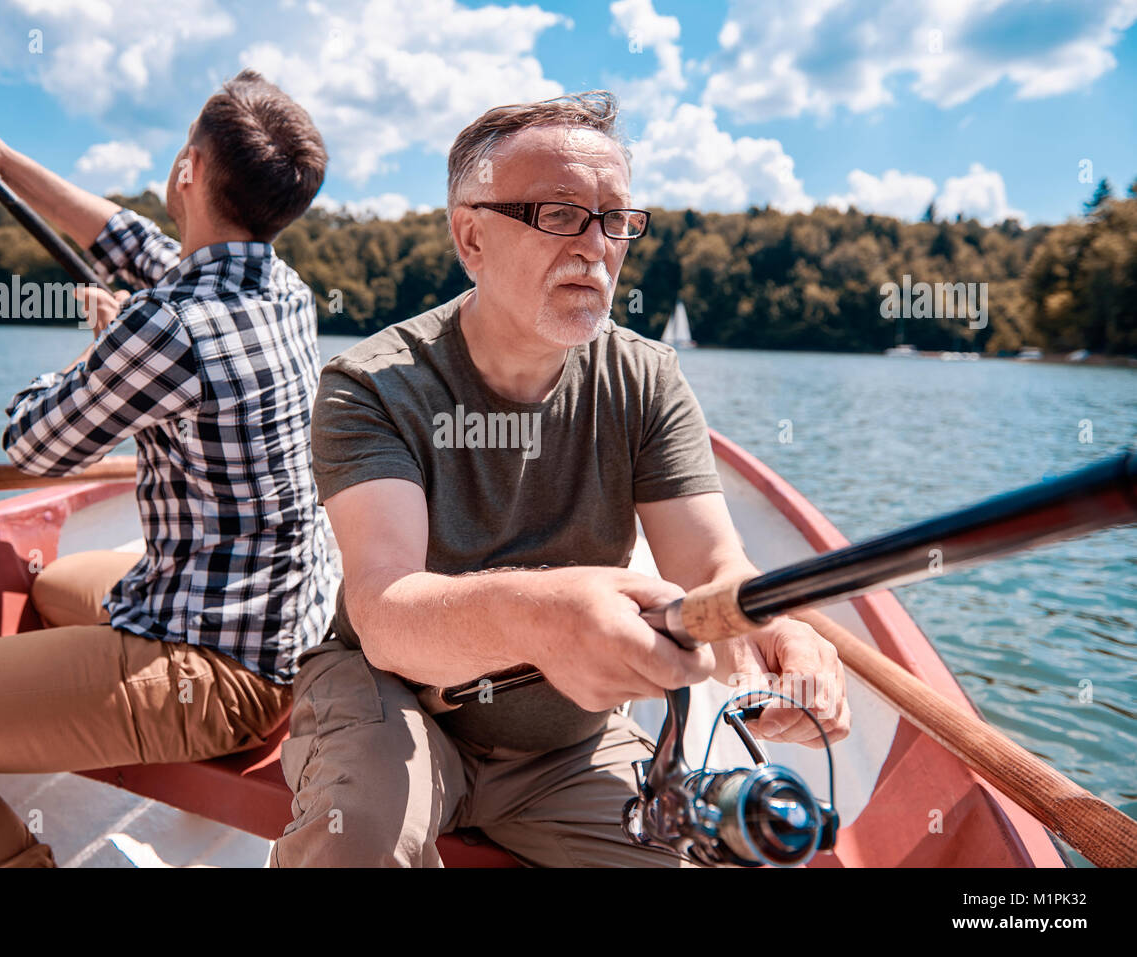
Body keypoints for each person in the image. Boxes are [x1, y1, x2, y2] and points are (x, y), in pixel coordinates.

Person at [270, 90, 851, 868]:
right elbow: (384, 608)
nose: (596, 246)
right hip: (392, 699)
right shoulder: (373, 385)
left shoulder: (646, 380)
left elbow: (712, 567)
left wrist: (774, 625)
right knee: (359, 837)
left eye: (617, 219)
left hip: (568, 737)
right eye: (559, 213)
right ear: (470, 236)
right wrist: (541, 615)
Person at [0, 70, 335, 867]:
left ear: (188, 170)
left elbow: (32, 445)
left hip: (210, 673)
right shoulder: (285, 291)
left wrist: (104, 347)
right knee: (50, 587)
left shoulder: (168, 324)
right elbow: (124, 240)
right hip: (281, 636)